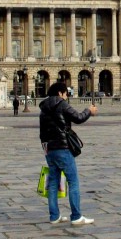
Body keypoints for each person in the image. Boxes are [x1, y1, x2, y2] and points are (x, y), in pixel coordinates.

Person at [39, 81, 97, 226]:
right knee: (73, 182)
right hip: (63, 148)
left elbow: (42, 133)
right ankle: (76, 216)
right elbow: (78, 118)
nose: (66, 97)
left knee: (52, 183)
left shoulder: (43, 108)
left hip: (49, 150)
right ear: (60, 93)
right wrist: (89, 110)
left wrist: (46, 148)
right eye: (66, 94)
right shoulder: (61, 104)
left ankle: (54, 216)